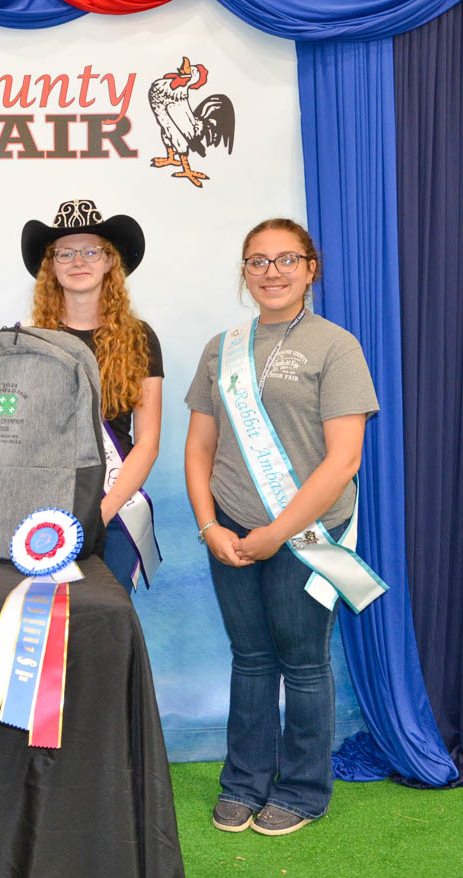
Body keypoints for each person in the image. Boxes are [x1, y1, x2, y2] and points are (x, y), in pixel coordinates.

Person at [184, 218, 379, 836]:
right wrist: (209, 524)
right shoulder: (222, 346)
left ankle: (301, 789)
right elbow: (199, 448)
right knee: (250, 658)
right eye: (258, 261)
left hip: (307, 532)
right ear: (244, 273)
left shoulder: (336, 345)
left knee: (302, 662)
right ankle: (243, 781)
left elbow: (344, 458)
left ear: (310, 268)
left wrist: (276, 533)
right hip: (232, 528)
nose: (272, 272)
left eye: (286, 260)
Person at [21, 199, 162, 593]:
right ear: (50, 266)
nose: (77, 260)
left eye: (91, 250)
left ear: (109, 262)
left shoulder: (140, 338)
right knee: (46, 624)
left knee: (108, 626)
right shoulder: (29, 341)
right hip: (46, 513)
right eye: (64, 252)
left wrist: (102, 512)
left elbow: (148, 442)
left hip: (114, 508)